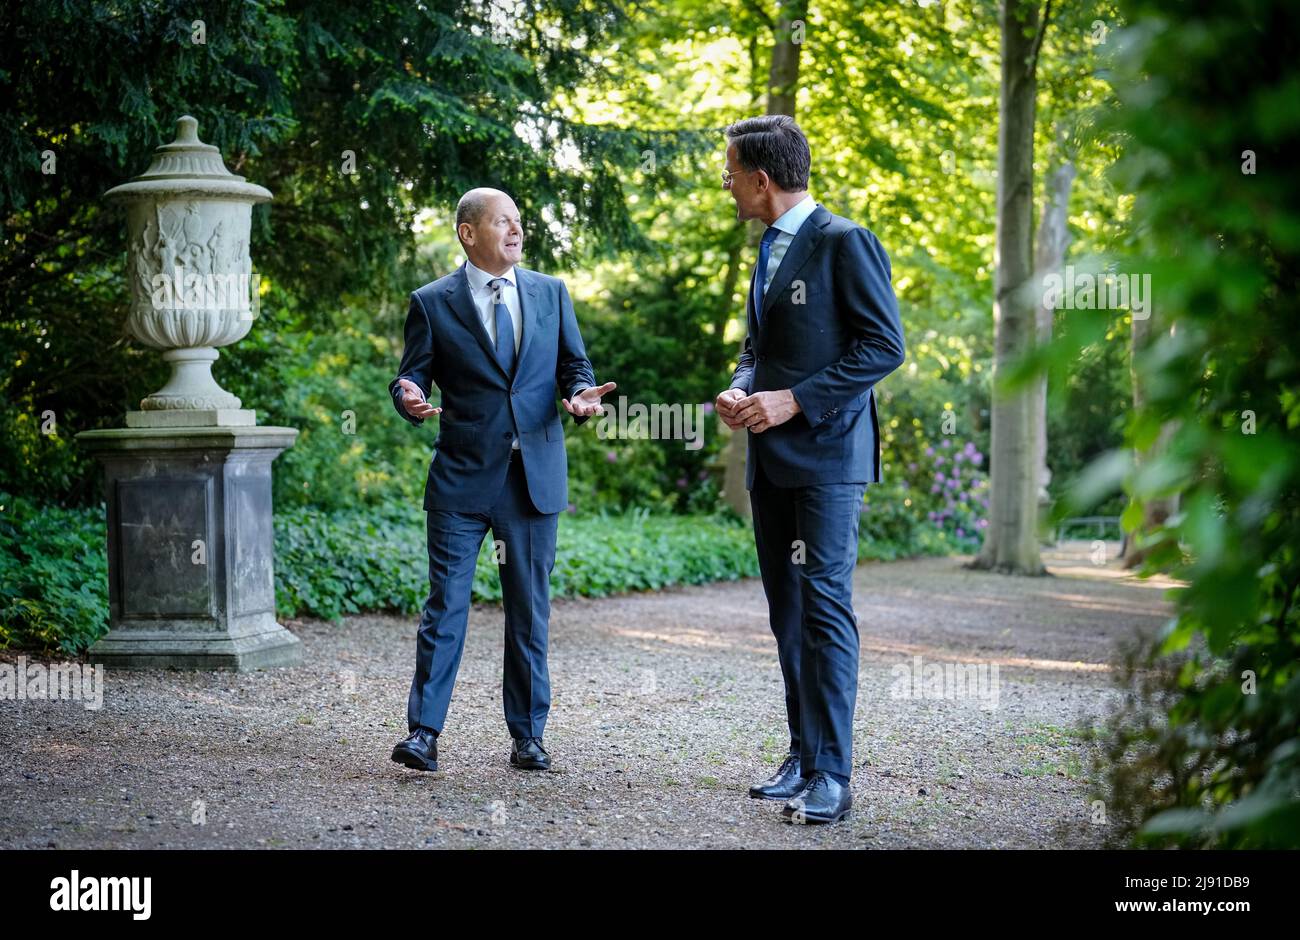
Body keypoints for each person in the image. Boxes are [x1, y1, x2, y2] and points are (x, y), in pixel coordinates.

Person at [714, 116, 905, 823]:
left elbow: (884, 347)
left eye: (730, 172)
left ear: (761, 179)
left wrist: (793, 399)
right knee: (787, 613)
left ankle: (834, 775)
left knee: (825, 609)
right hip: (772, 460)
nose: (726, 184)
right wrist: (741, 386)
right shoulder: (768, 248)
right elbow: (755, 343)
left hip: (829, 457)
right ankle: (801, 754)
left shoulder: (845, 242)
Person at [388, 187, 615, 773]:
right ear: (469, 234)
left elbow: (574, 366)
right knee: (446, 606)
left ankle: (528, 737)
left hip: (532, 479)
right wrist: (407, 396)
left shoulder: (551, 293)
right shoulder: (432, 302)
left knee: (528, 610)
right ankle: (423, 734)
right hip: (462, 478)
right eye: (503, 222)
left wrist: (578, 396)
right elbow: (410, 376)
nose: (516, 231)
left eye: (519, 221)